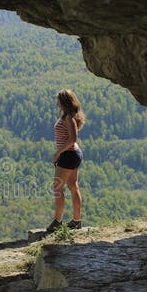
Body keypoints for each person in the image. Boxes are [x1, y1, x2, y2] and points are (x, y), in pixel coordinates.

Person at [46, 89, 85, 232]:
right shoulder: (70, 116)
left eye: (59, 101)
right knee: (73, 187)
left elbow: (73, 138)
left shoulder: (69, 117)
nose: (58, 104)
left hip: (68, 155)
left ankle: (57, 221)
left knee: (57, 187)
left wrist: (58, 153)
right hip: (73, 153)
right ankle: (76, 221)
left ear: (64, 102)